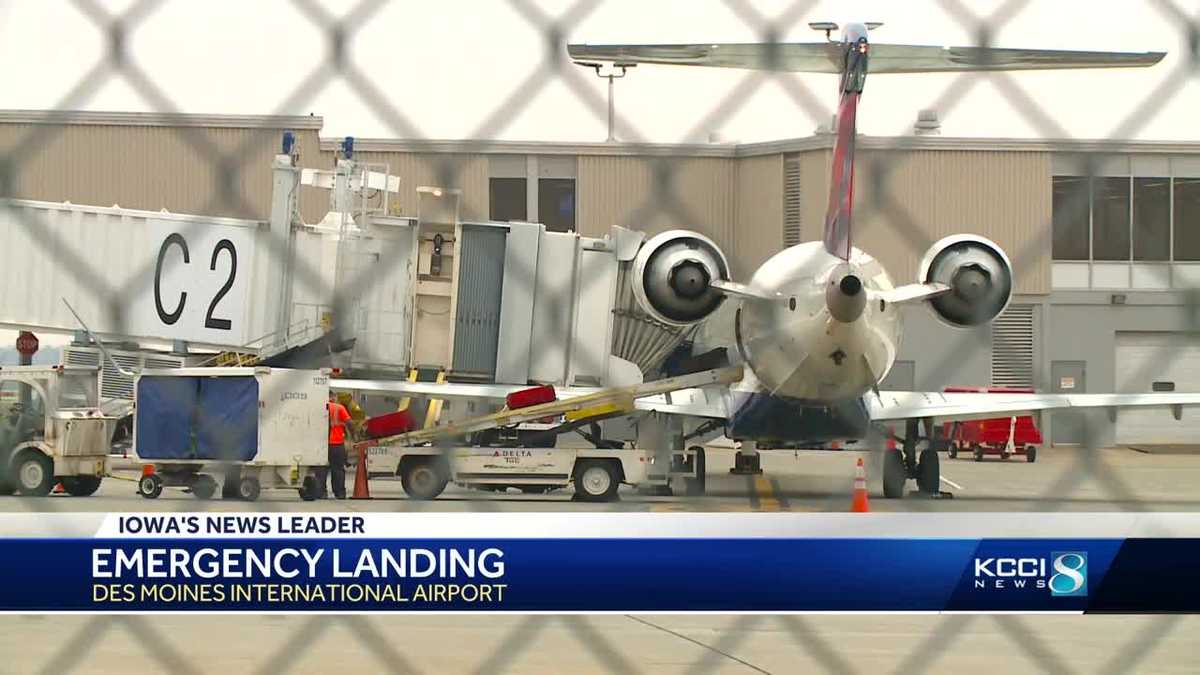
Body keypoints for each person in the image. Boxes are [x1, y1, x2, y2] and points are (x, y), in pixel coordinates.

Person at [325, 393, 352, 499]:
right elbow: (349, 422)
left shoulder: (318, 407)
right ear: (332, 397)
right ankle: (339, 493)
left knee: (321, 469)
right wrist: (354, 434)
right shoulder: (339, 408)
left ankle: (321, 492)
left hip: (321, 444)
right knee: (338, 469)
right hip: (336, 444)